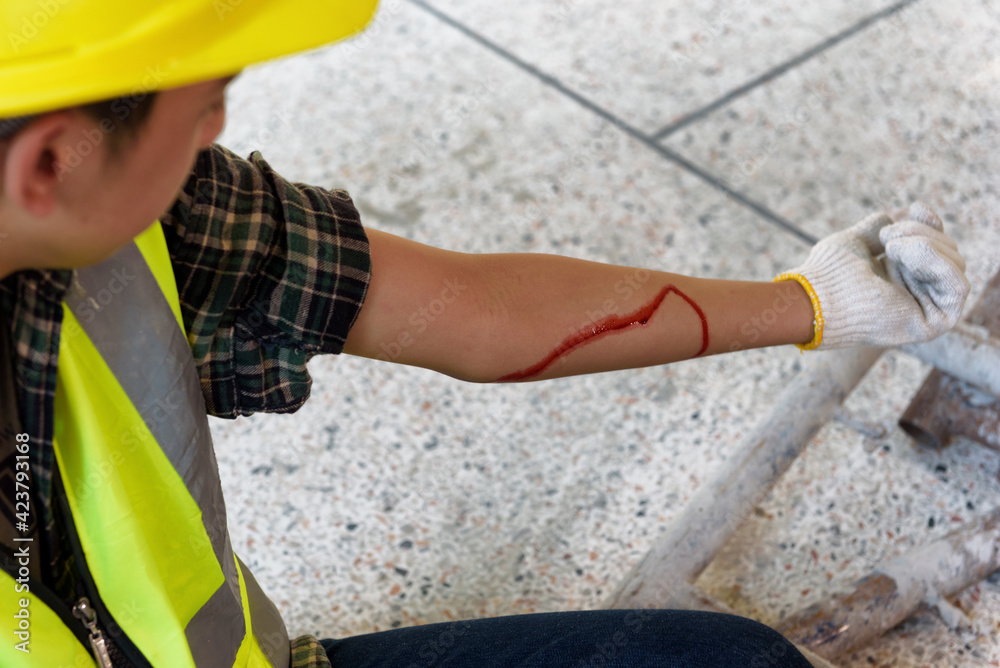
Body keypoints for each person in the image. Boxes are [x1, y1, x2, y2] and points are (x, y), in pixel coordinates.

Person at [0, 2, 969, 667]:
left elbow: (473, 307)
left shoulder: (131, 219)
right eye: (207, 94)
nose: (217, 125)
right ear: (53, 159)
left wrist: (813, 301)